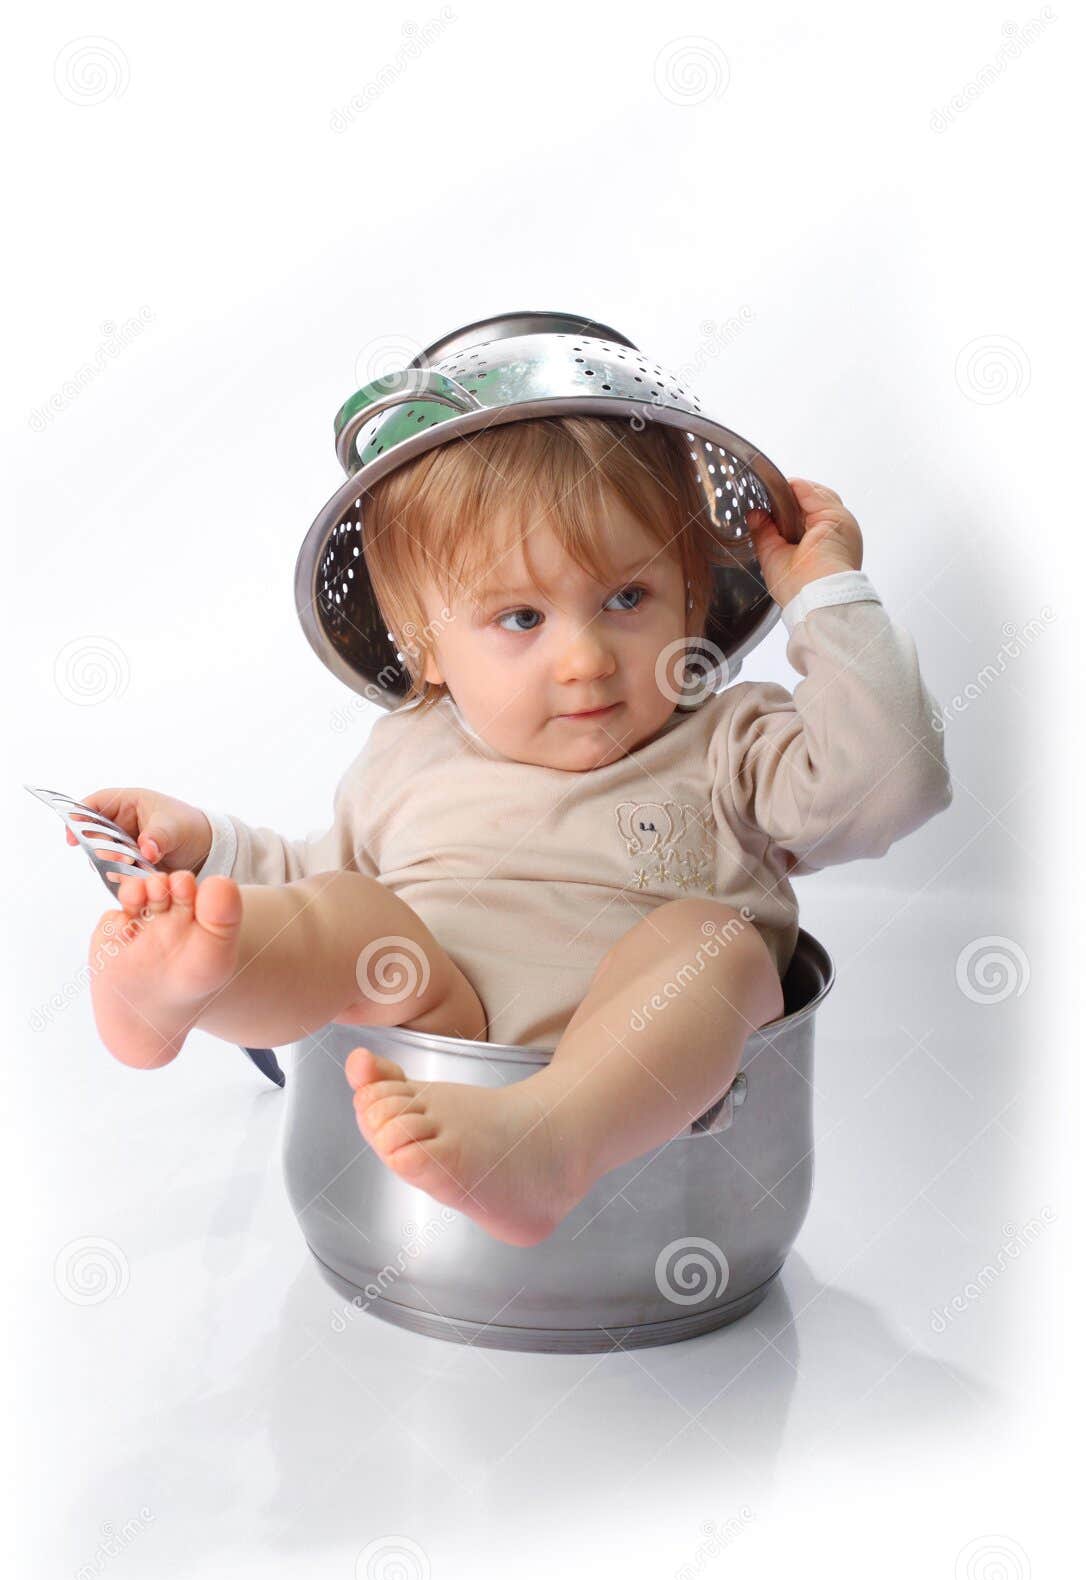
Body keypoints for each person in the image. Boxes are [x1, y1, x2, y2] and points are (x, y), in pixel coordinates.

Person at [78, 418, 952, 1248]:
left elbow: (890, 783)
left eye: (628, 597)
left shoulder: (733, 744)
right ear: (423, 647)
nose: (586, 660)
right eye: (522, 619)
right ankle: (183, 990)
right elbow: (307, 881)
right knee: (346, 908)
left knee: (715, 947)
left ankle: (548, 1143)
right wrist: (205, 854)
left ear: (693, 599)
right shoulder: (407, 755)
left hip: (631, 1077)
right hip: (436, 1020)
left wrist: (823, 594)